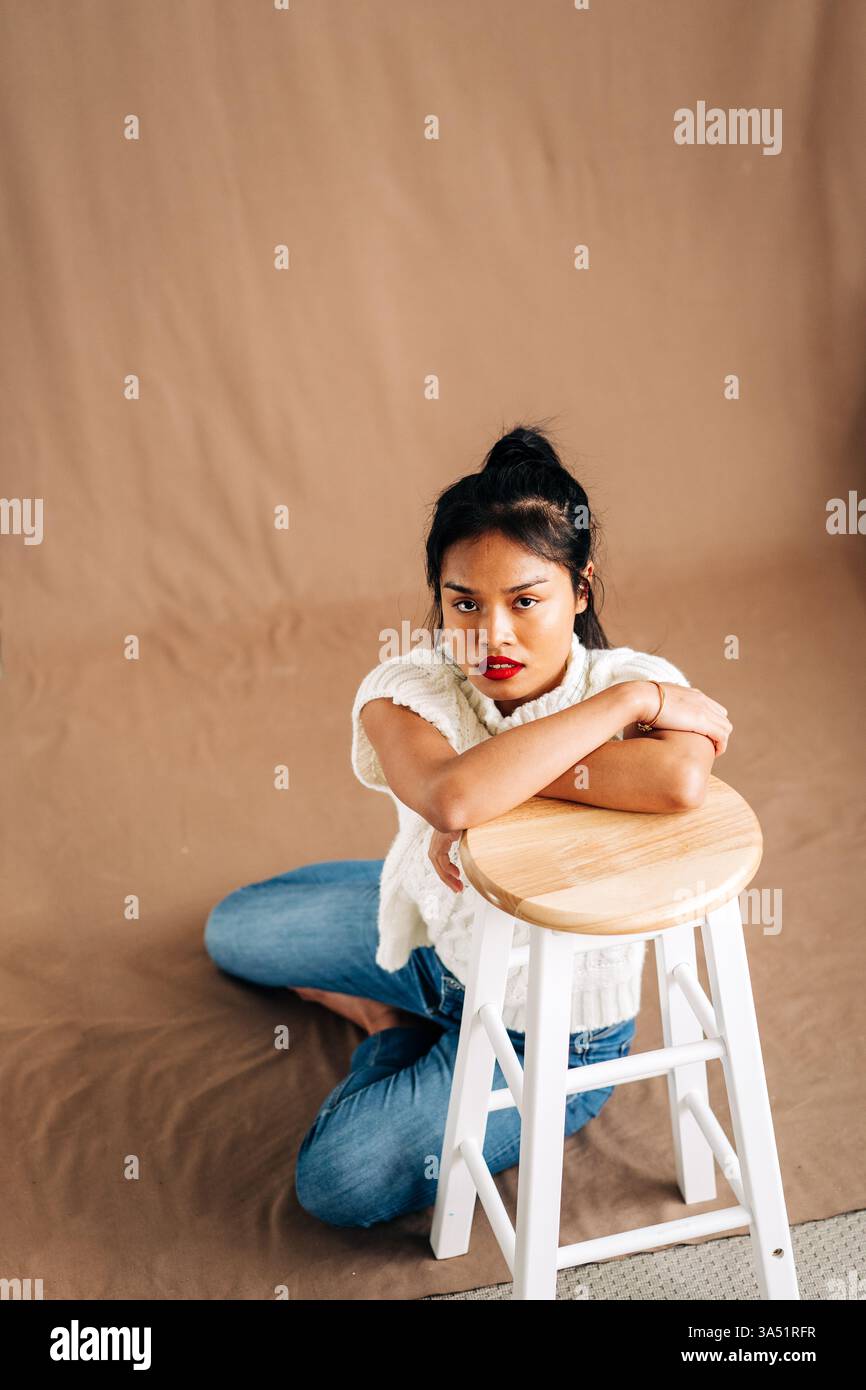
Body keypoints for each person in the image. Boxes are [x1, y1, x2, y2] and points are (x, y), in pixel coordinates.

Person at [203, 423, 732, 1228]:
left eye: (527, 601)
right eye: (464, 603)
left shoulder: (631, 679)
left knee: (336, 1182)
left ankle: (388, 1031)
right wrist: (616, 725)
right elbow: (450, 800)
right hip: (427, 949)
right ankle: (403, 1004)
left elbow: (680, 778)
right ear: (438, 597)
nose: (494, 635)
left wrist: (595, 714)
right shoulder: (408, 684)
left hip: (549, 1036)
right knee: (230, 931)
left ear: (581, 590)